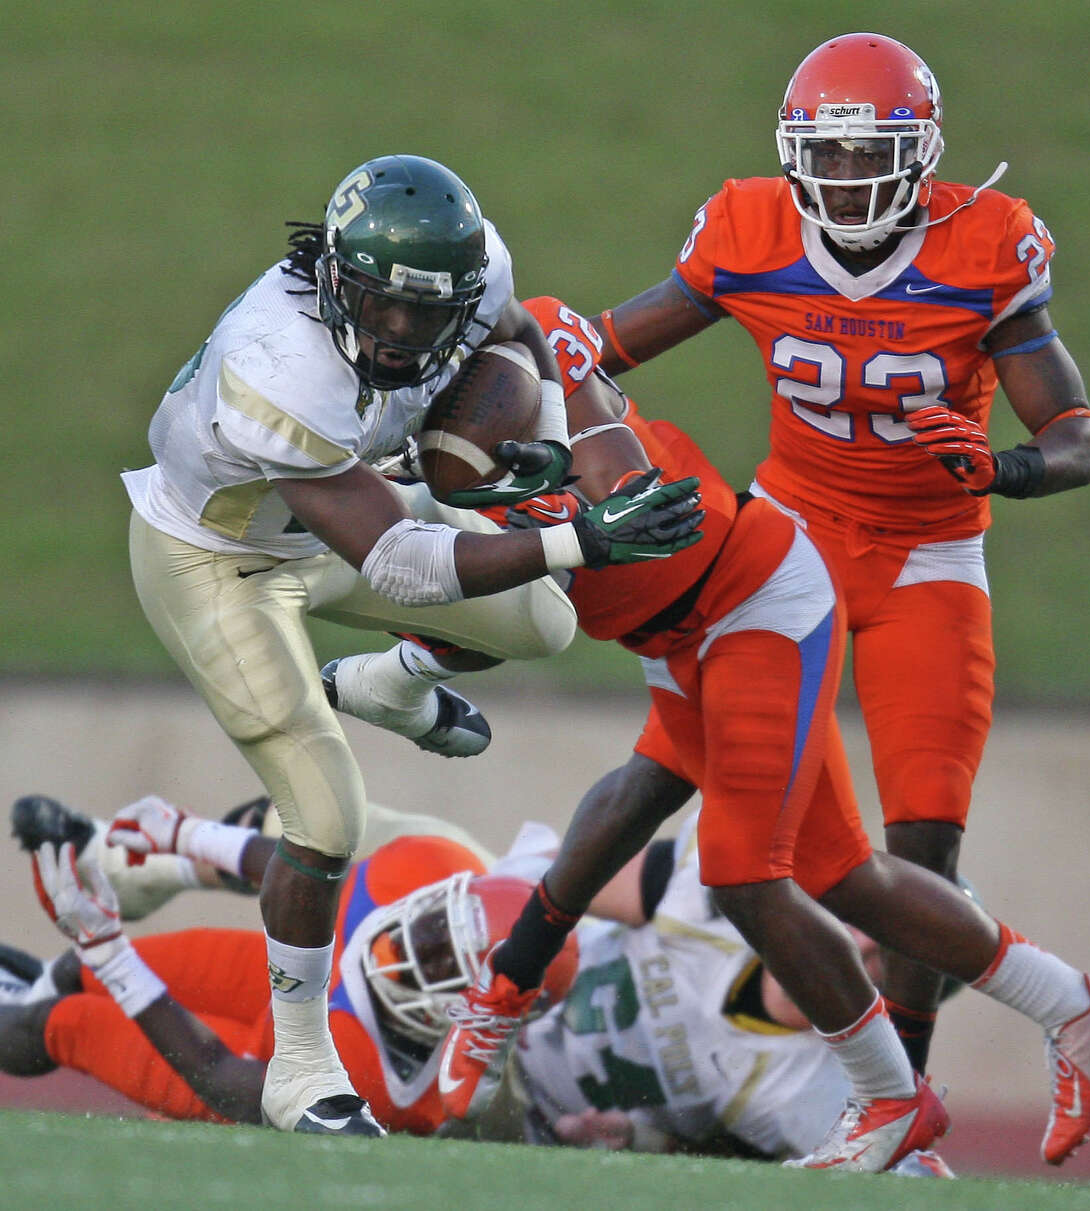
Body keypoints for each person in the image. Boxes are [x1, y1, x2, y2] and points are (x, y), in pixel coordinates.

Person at [429, 295, 1090, 1174]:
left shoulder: (547, 357)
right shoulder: (407, 438)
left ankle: (890, 1094)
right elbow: (464, 597)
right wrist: (426, 643)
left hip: (751, 598)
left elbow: (615, 501)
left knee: (740, 872)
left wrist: (530, 539)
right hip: (673, 636)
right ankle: (1075, 1003)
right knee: (836, 873)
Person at [118, 152, 704, 1135]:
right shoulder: (279, 368)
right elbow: (399, 563)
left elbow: (526, 340)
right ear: (331, 275)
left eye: (421, 312)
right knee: (326, 814)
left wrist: (552, 448)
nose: (396, 330)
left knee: (543, 620)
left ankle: (393, 682)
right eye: (377, 302)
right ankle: (299, 1068)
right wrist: (579, 535)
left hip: (342, 513)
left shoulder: (480, 277)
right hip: (216, 557)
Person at [579, 31, 1090, 1076]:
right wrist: (518, 371)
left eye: (872, 153)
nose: (849, 175)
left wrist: (1005, 468)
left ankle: (904, 1090)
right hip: (789, 547)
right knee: (672, 767)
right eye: (828, 152)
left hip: (928, 558)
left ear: (922, 154)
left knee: (925, 839)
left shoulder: (984, 245)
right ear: (793, 152)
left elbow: (1075, 440)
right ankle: (514, 975)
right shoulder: (750, 229)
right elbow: (601, 349)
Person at [4, 793, 956, 1174]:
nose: (849, 947)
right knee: (387, 840)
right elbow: (563, 881)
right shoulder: (432, 884)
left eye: (875, 958)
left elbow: (224, 1075)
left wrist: (652, 1140)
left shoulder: (398, 1086)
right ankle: (126, 874)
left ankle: (52, 985)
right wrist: (192, 839)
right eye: (862, 925)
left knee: (76, 1021)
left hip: (506, 1094)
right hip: (488, 943)